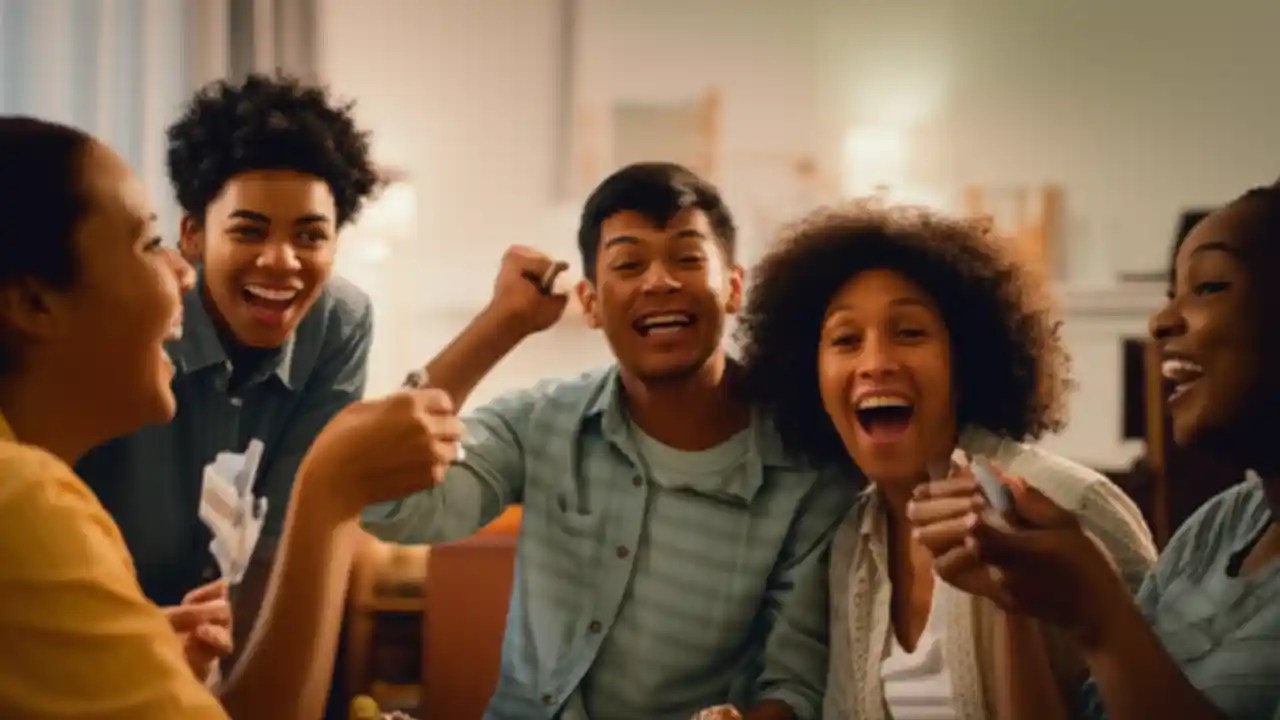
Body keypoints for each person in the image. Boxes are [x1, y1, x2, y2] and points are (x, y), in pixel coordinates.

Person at [0, 116, 458, 720]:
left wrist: (136, 650)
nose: (180, 275)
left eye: (310, 235)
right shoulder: (27, 504)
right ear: (34, 303)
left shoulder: (339, 322)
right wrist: (330, 492)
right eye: (148, 244)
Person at [362, 162, 854, 720]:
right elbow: (388, 506)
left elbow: (796, 684)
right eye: (628, 264)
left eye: (687, 258)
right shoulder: (543, 421)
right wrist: (498, 326)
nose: (659, 282)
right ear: (592, 303)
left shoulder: (807, 473)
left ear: (734, 288)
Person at [735, 202, 1158, 719]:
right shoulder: (852, 540)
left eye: (910, 333)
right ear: (811, 378)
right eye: (846, 340)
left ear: (966, 361)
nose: (876, 363)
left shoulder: (1072, 505)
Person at [908, 180, 1280, 720]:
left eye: (1209, 286)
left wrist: (1098, 614)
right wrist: (1017, 600)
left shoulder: (1089, 503)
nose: (1160, 322)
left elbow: (1109, 633)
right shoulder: (1217, 527)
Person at [76, 73, 381, 648]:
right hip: (94, 627)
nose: (281, 261)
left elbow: (290, 531)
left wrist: (239, 670)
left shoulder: (340, 323)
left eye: (310, 236)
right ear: (193, 234)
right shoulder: (132, 309)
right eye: (249, 231)